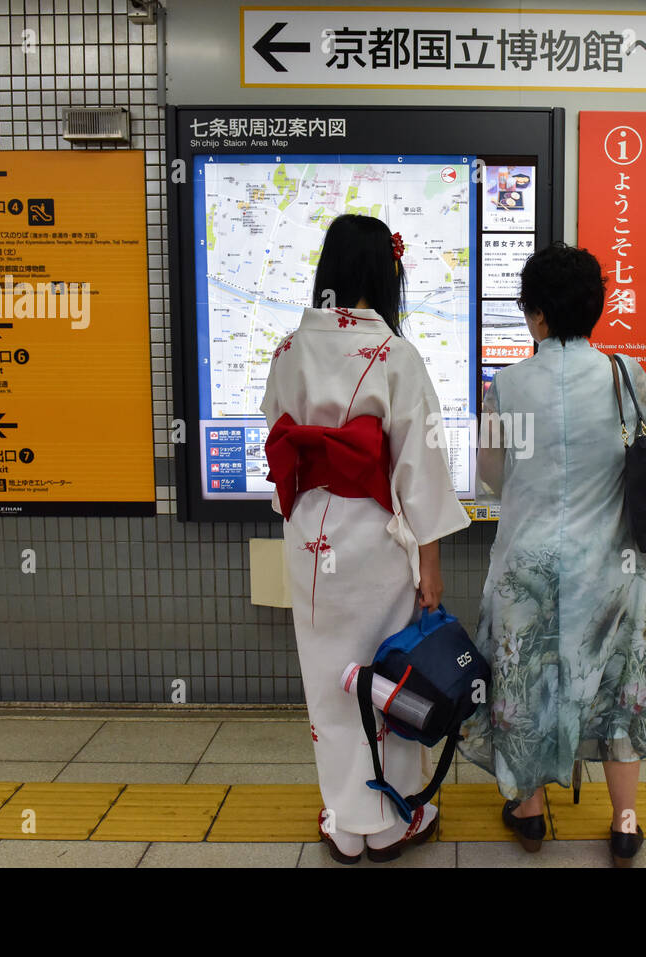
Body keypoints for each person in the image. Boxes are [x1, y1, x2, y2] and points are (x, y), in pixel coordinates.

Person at [261, 214, 470, 864]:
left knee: (328, 678)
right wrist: (429, 563)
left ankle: (345, 820)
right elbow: (420, 463)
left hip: (310, 535)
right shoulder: (393, 354)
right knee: (388, 673)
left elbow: (277, 431)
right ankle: (391, 819)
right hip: (374, 536)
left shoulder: (290, 347)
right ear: (386, 273)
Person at [458, 242, 646, 867]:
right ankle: (625, 820)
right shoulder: (625, 375)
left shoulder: (507, 385)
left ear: (538, 314)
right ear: (594, 308)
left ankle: (528, 811)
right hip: (610, 571)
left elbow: (492, 476)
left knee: (525, 684)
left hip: (526, 571)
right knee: (620, 687)